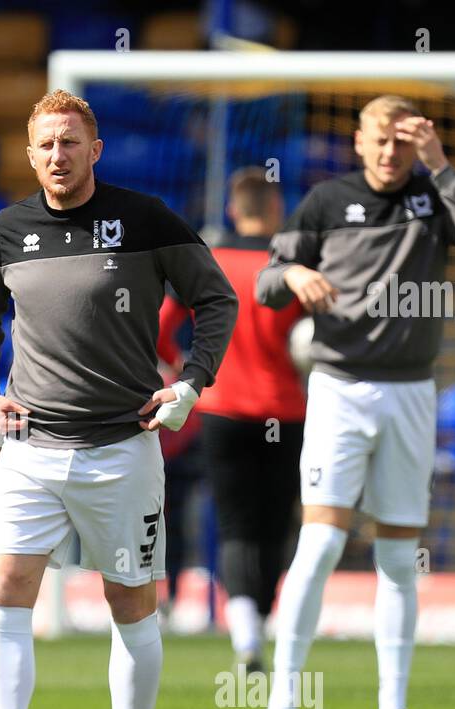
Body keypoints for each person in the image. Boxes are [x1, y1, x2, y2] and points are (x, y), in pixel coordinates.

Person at [0, 90, 238, 709]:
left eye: (70, 143)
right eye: (45, 144)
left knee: (131, 605)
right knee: (6, 593)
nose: (57, 156)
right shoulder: (9, 230)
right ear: (29, 151)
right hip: (30, 448)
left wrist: (192, 383)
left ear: (94, 150)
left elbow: (217, 299)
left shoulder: (144, 220)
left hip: (122, 448)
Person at [255, 94, 455, 709]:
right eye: (380, 140)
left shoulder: (432, 195)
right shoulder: (325, 202)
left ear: (416, 141)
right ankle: (281, 704)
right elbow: (266, 282)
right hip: (339, 388)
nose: (391, 153)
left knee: (398, 556)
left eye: (403, 141)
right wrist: (298, 273)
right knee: (321, 546)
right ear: (359, 142)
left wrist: (443, 166)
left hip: (413, 392)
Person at [158, 167, 307, 672]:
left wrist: (181, 371)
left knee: (235, 522)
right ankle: (261, 621)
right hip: (286, 412)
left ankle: (245, 633)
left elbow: (159, 328)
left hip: (220, 411)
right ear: (274, 209)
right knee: (276, 522)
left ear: (232, 208)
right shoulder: (291, 266)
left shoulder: (208, 262)